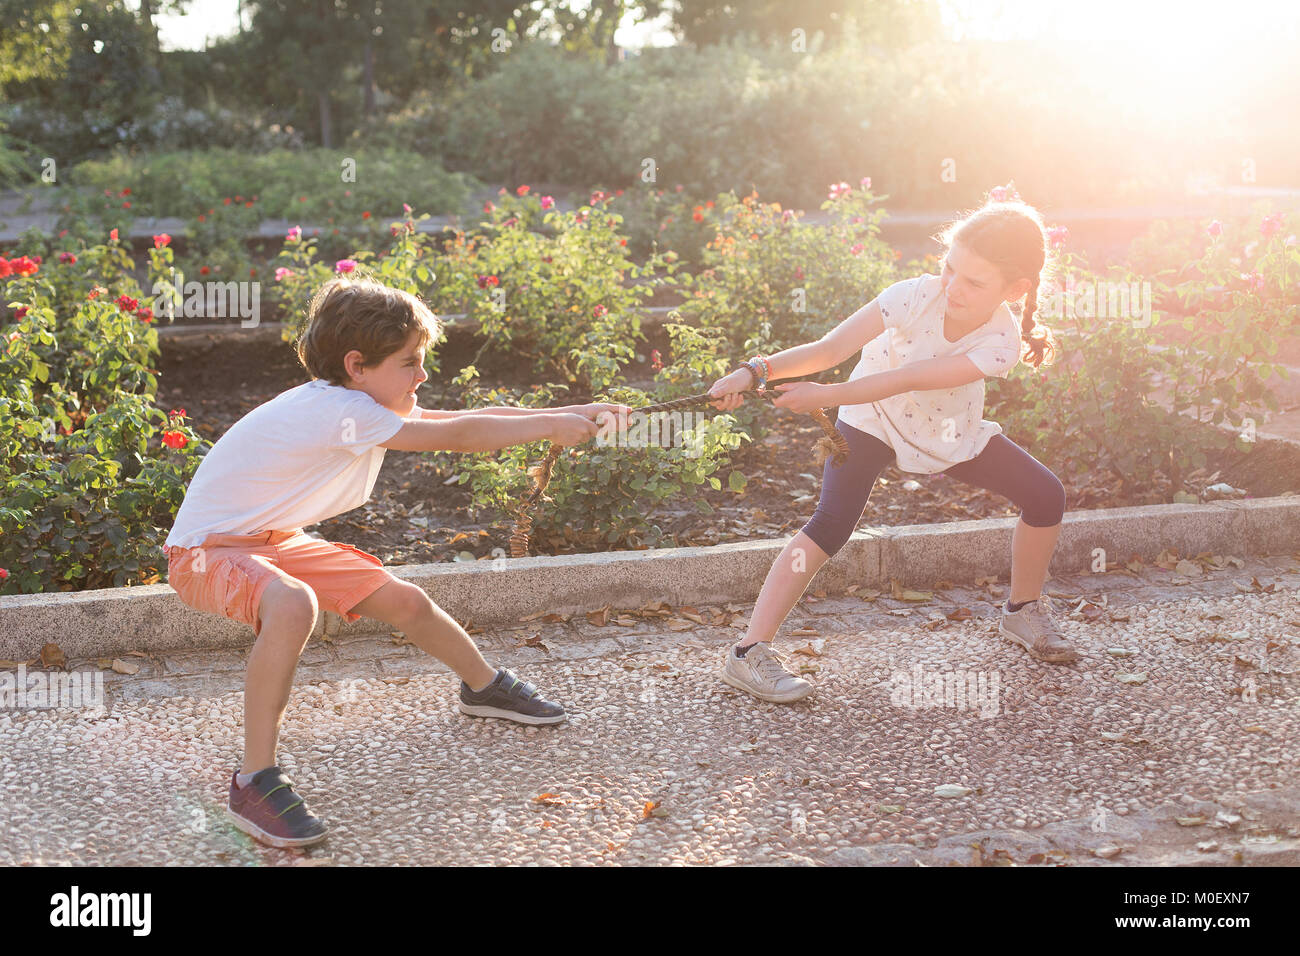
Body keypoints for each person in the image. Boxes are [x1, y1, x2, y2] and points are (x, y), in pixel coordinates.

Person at [164, 276, 627, 847]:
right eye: (410, 363)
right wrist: (553, 426)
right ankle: (254, 779)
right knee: (292, 605)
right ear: (357, 365)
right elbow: (458, 436)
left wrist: (569, 411)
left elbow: (464, 415)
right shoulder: (337, 411)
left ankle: (482, 687)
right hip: (206, 556)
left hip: (271, 539)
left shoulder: (357, 401)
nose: (422, 375)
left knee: (405, 601)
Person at [706, 196, 1075, 704]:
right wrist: (754, 372)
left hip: (947, 431)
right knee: (831, 523)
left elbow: (910, 378)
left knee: (1046, 495)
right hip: (870, 422)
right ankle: (748, 653)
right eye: (950, 269)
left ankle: (1023, 611)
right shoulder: (909, 296)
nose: (952, 287)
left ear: (1015, 289)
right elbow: (829, 351)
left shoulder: (1000, 341)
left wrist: (825, 395)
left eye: (974, 282)